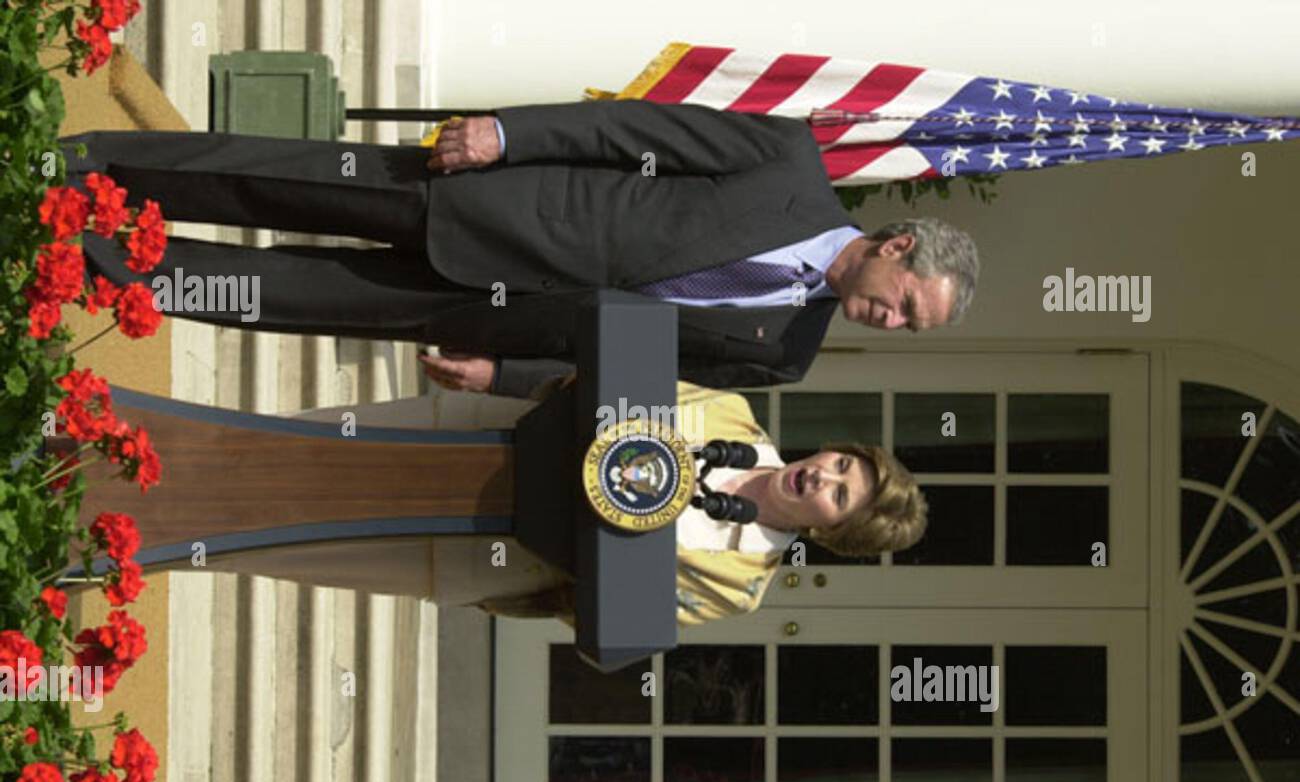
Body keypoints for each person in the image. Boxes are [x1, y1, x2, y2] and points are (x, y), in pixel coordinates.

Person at [61, 100, 978, 393]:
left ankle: (88, 262)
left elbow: (634, 387)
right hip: (489, 200)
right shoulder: (787, 163)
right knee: (268, 178)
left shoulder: (786, 356)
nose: (888, 319)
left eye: (906, 329)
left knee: (281, 291)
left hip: (495, 317)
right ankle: (79, 168)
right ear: (897, 243)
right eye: (905, 302)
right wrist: (510, 133)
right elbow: (634, 129)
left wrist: (503, 377)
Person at [189, 382, 928, 628]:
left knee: (306, 540)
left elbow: (602, 608)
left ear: (834, 534)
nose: (821, 477)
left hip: (488, 547)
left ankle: (178, 541)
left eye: (839, 496)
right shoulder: (731, 416)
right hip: (493, 438)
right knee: (305, 447)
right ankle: (175, 446)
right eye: (839, 464)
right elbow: (608, 379)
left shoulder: (740, 586)